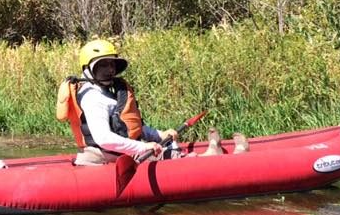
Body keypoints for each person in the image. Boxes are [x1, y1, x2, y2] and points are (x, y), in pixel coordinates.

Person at [56, 39, 247, 166]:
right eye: (102, 66)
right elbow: (104, 138)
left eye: (111, 64)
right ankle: (215, 159)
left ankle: (213, 154)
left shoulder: (106, 91)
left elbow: (128, 125)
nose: (109, 71)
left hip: (119, 151)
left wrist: (158, 134)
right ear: (88, 69)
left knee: (167, 145)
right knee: (170, 154)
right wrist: (142, 147)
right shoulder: (93, 97)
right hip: (107, 155)